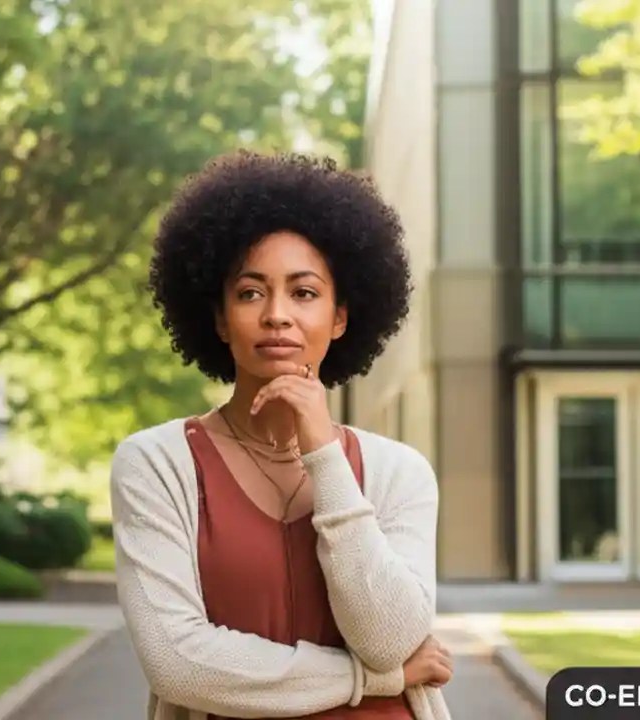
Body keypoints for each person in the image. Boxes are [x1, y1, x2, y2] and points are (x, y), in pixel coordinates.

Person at [110, 151, 453, 720]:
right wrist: (371, 678)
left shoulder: (399, 472)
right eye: (250, 293)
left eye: (304, 292)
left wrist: (323, 452)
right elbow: (177, 663)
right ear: (219, 319)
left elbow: (391, 637)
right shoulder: (157, 463)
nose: (276, 315)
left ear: (340, 317)